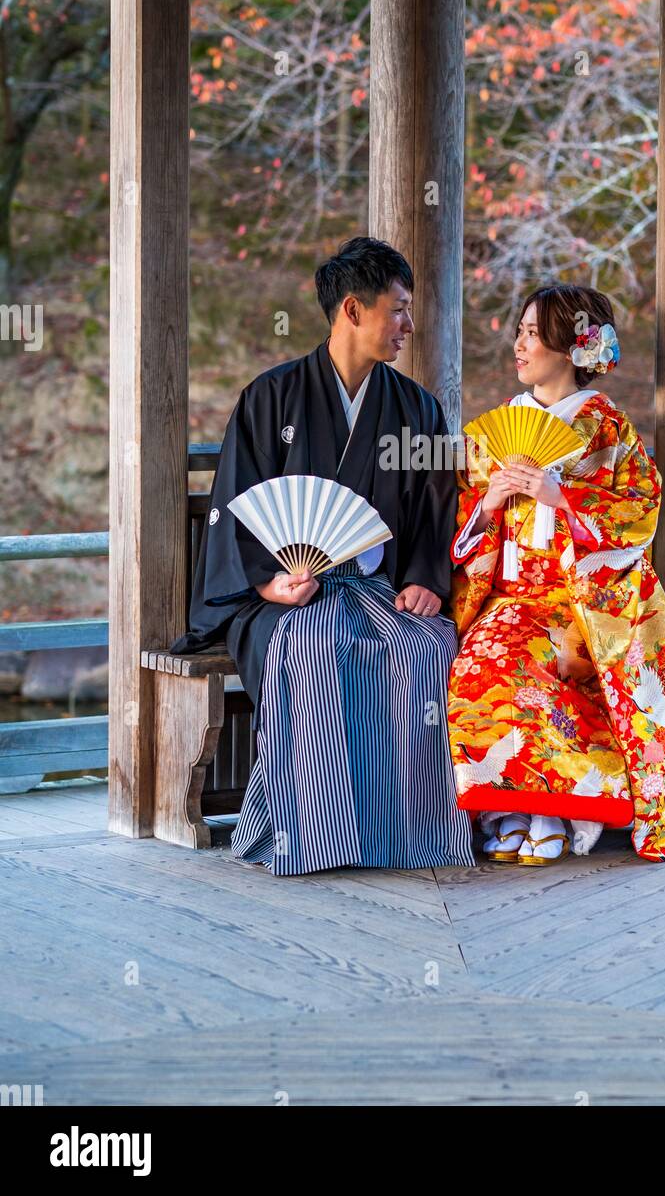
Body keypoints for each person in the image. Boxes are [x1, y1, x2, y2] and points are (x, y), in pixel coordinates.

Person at [170, 237, 474, 875]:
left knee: (432, 646)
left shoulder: (417, 409)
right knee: (311, 646)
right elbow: (236, 507)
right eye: (397, 309)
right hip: (282, 596)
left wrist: (425, 578)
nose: (408, 325)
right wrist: (268, 582)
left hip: (372, 589)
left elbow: (434, 510)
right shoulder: (270, 398)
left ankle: (409, 833)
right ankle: (313, 835)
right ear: (353, 312)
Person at [447, 284, 665, 865]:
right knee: (481, 665)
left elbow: (639, 510)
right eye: (518, 331)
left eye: (533, 334)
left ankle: (553, 811)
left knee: (536, 665)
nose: (519, 345)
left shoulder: (606, 426)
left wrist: (561, 496)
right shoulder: (491, 433)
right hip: (511, 594)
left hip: (585, 601)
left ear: (572, 346)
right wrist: (489, 504)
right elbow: (466, 524)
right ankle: (510, 810)